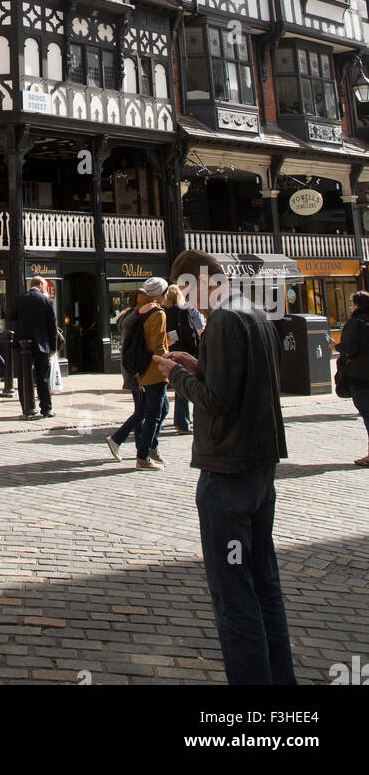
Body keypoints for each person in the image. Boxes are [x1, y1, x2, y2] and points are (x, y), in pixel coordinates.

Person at [152, 246, 295, 687]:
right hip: (260, 464)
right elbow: (240, 381)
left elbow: (216, 401)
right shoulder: (251, 311)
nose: (188, 303)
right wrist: (197, 364)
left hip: (228, 468)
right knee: (263, 579)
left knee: (233, 593)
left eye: (187, 293)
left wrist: (174, 375)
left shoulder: (222, 320)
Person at [131, 276, 171, 470]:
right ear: (161, 294)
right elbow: (158, 344)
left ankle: (152, 447)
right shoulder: (158, 313)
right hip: (155, 368)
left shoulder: (140, 309)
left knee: (163, 409)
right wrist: (169, 364)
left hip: (143, 366)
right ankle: (143, 456)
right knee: (154, 413)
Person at [12, 276, 58, 417]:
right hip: (42, 344)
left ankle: (26, 407)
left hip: (23, 344)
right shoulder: (47, 301)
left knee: (23, 377)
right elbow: (53, 326)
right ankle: (46, 409)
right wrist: (53, 347)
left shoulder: (20, 299)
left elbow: (10, 317)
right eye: (44, 285)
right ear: (41, 285)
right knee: (42, 377)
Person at [106, 292, 145, 460]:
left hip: (132, 368)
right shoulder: (134, 318)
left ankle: (141, 446)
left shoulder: (128, 316)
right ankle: (117, 438)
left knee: (142, 409)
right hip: (137, 369)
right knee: (144, 410)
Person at [163, 282, 205, 434]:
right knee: (186, 388)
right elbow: (189, 332)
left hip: (170, 351)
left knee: (178, 384)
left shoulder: (164, 311)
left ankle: (181, 422)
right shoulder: (183, 310)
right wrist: (195, 350)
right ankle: (183, 423)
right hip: (185, 352)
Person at [339, 289, 369, 466]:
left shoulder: (357, 322)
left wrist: (336, 346)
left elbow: (348, 347)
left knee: (367, 414)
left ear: (356, 305)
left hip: (361, 376)